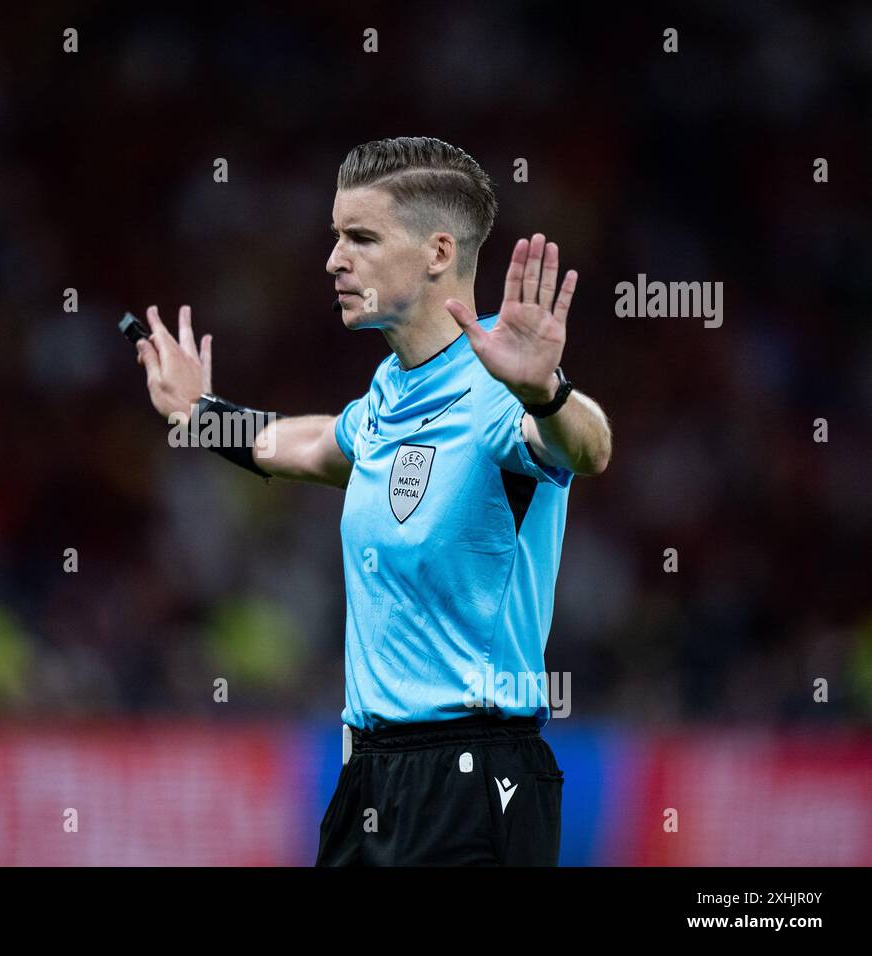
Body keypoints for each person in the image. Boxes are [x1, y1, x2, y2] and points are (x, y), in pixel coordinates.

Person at [132, 136, 612, 865]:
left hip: (475, 780)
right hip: (370, 778)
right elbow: (309, 445)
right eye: (335, 237)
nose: (333, 260)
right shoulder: (389, 393)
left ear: (437, 252)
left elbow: (590, 447)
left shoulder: (501, 396)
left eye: (359, 237)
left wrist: (549, 392)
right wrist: (201, 414)